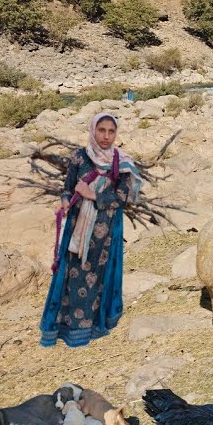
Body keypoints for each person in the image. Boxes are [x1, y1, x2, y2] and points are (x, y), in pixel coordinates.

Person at [39, 112, 141, 348]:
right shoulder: (79, 157)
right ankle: (69, 328)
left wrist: (92, 194)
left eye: (111, 131)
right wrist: (65, 200)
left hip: (106, 232)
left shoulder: (121, 161)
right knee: (73, 275)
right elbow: (67, 188)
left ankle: (96, 325)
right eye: (101, 130)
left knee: (100, 276)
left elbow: (122, 198)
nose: (106, 136)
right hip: (77, 229)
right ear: (93, 130)